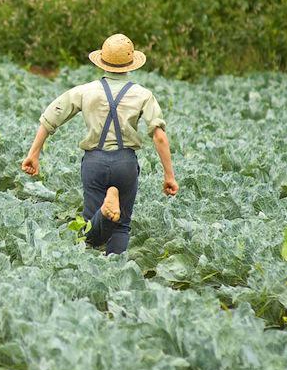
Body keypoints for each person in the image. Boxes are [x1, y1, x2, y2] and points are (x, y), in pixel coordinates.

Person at [21, 34, 178, 255]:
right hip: (125, 163)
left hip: (95, 161)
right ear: (130, 64)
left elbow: (50, 117)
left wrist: (33, 154)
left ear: (102, 62)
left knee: (90, 228)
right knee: (122, 226)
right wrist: (169, 176)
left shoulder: (85, 91)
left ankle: (103, 217)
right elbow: (159, 136)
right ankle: (116, 274)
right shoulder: (143, 94)